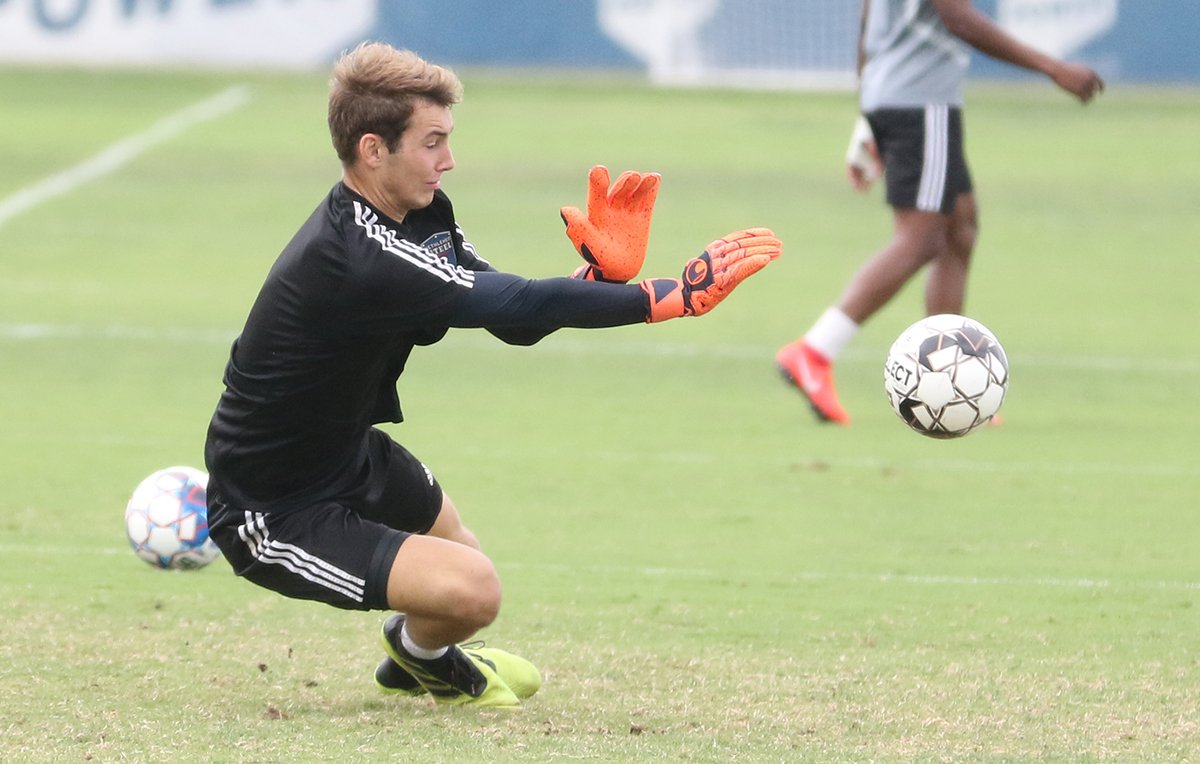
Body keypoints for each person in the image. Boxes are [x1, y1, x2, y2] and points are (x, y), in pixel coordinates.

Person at [203, 42, 781, 708]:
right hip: (272, 507)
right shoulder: (360, 254)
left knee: (460, 554)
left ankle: (411, 656)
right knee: (475, 589)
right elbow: (518, 304)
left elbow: (511, 316)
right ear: (372, 150)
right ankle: (438, 668)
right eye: (432, 143)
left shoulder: (416, 216)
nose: (448, 160)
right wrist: (668, 296)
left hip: (349, 454)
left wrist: (597, 280)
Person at [776, 0, 1103, 424]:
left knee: (959, 229)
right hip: (919, 101)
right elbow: (958, 18)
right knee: (922, 238)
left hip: (903, 96)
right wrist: (1052, 68)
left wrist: (867, 115)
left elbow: (868, 16)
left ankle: (950, 378)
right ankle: (815, 351)